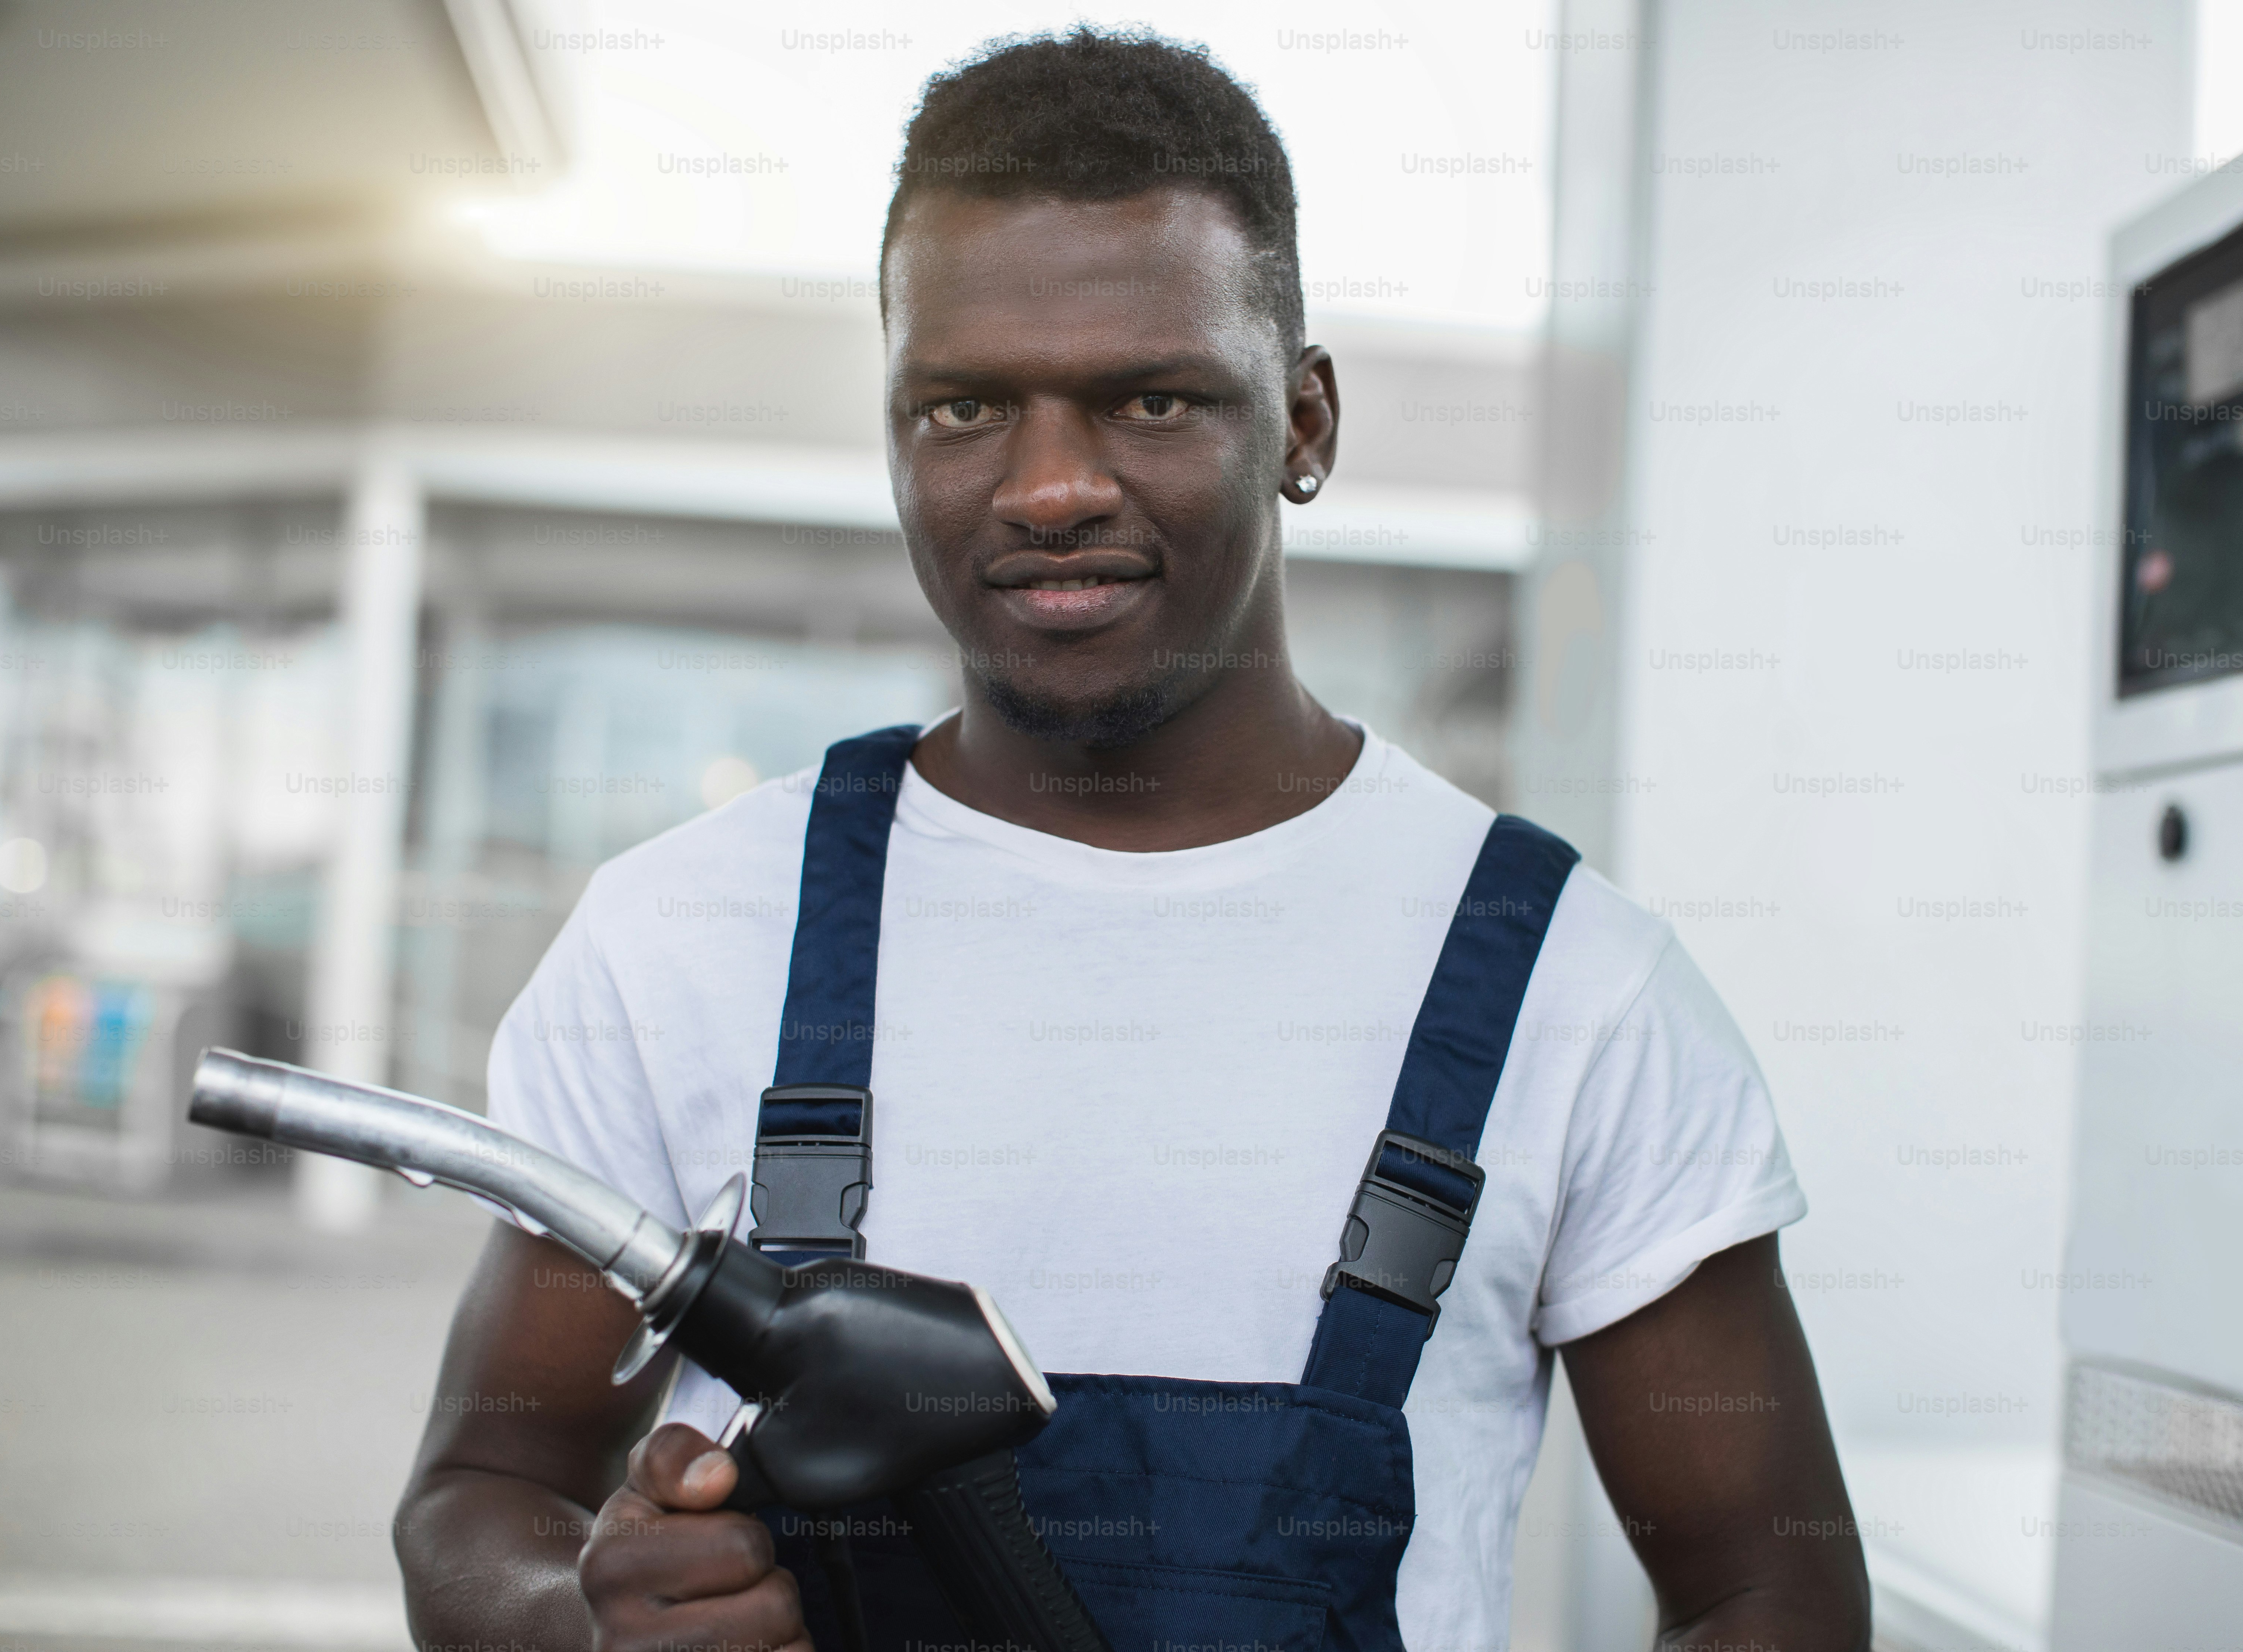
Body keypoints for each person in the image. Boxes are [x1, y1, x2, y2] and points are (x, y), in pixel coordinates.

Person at [394, 26, 1870, 1652]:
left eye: (1152, 399)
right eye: (963, 408)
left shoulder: (1575, 988)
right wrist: (582, 1624)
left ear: (1305, 422)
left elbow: (1769, 1585)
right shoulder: (682, 931)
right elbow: (484, 1487)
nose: (1046, 487)